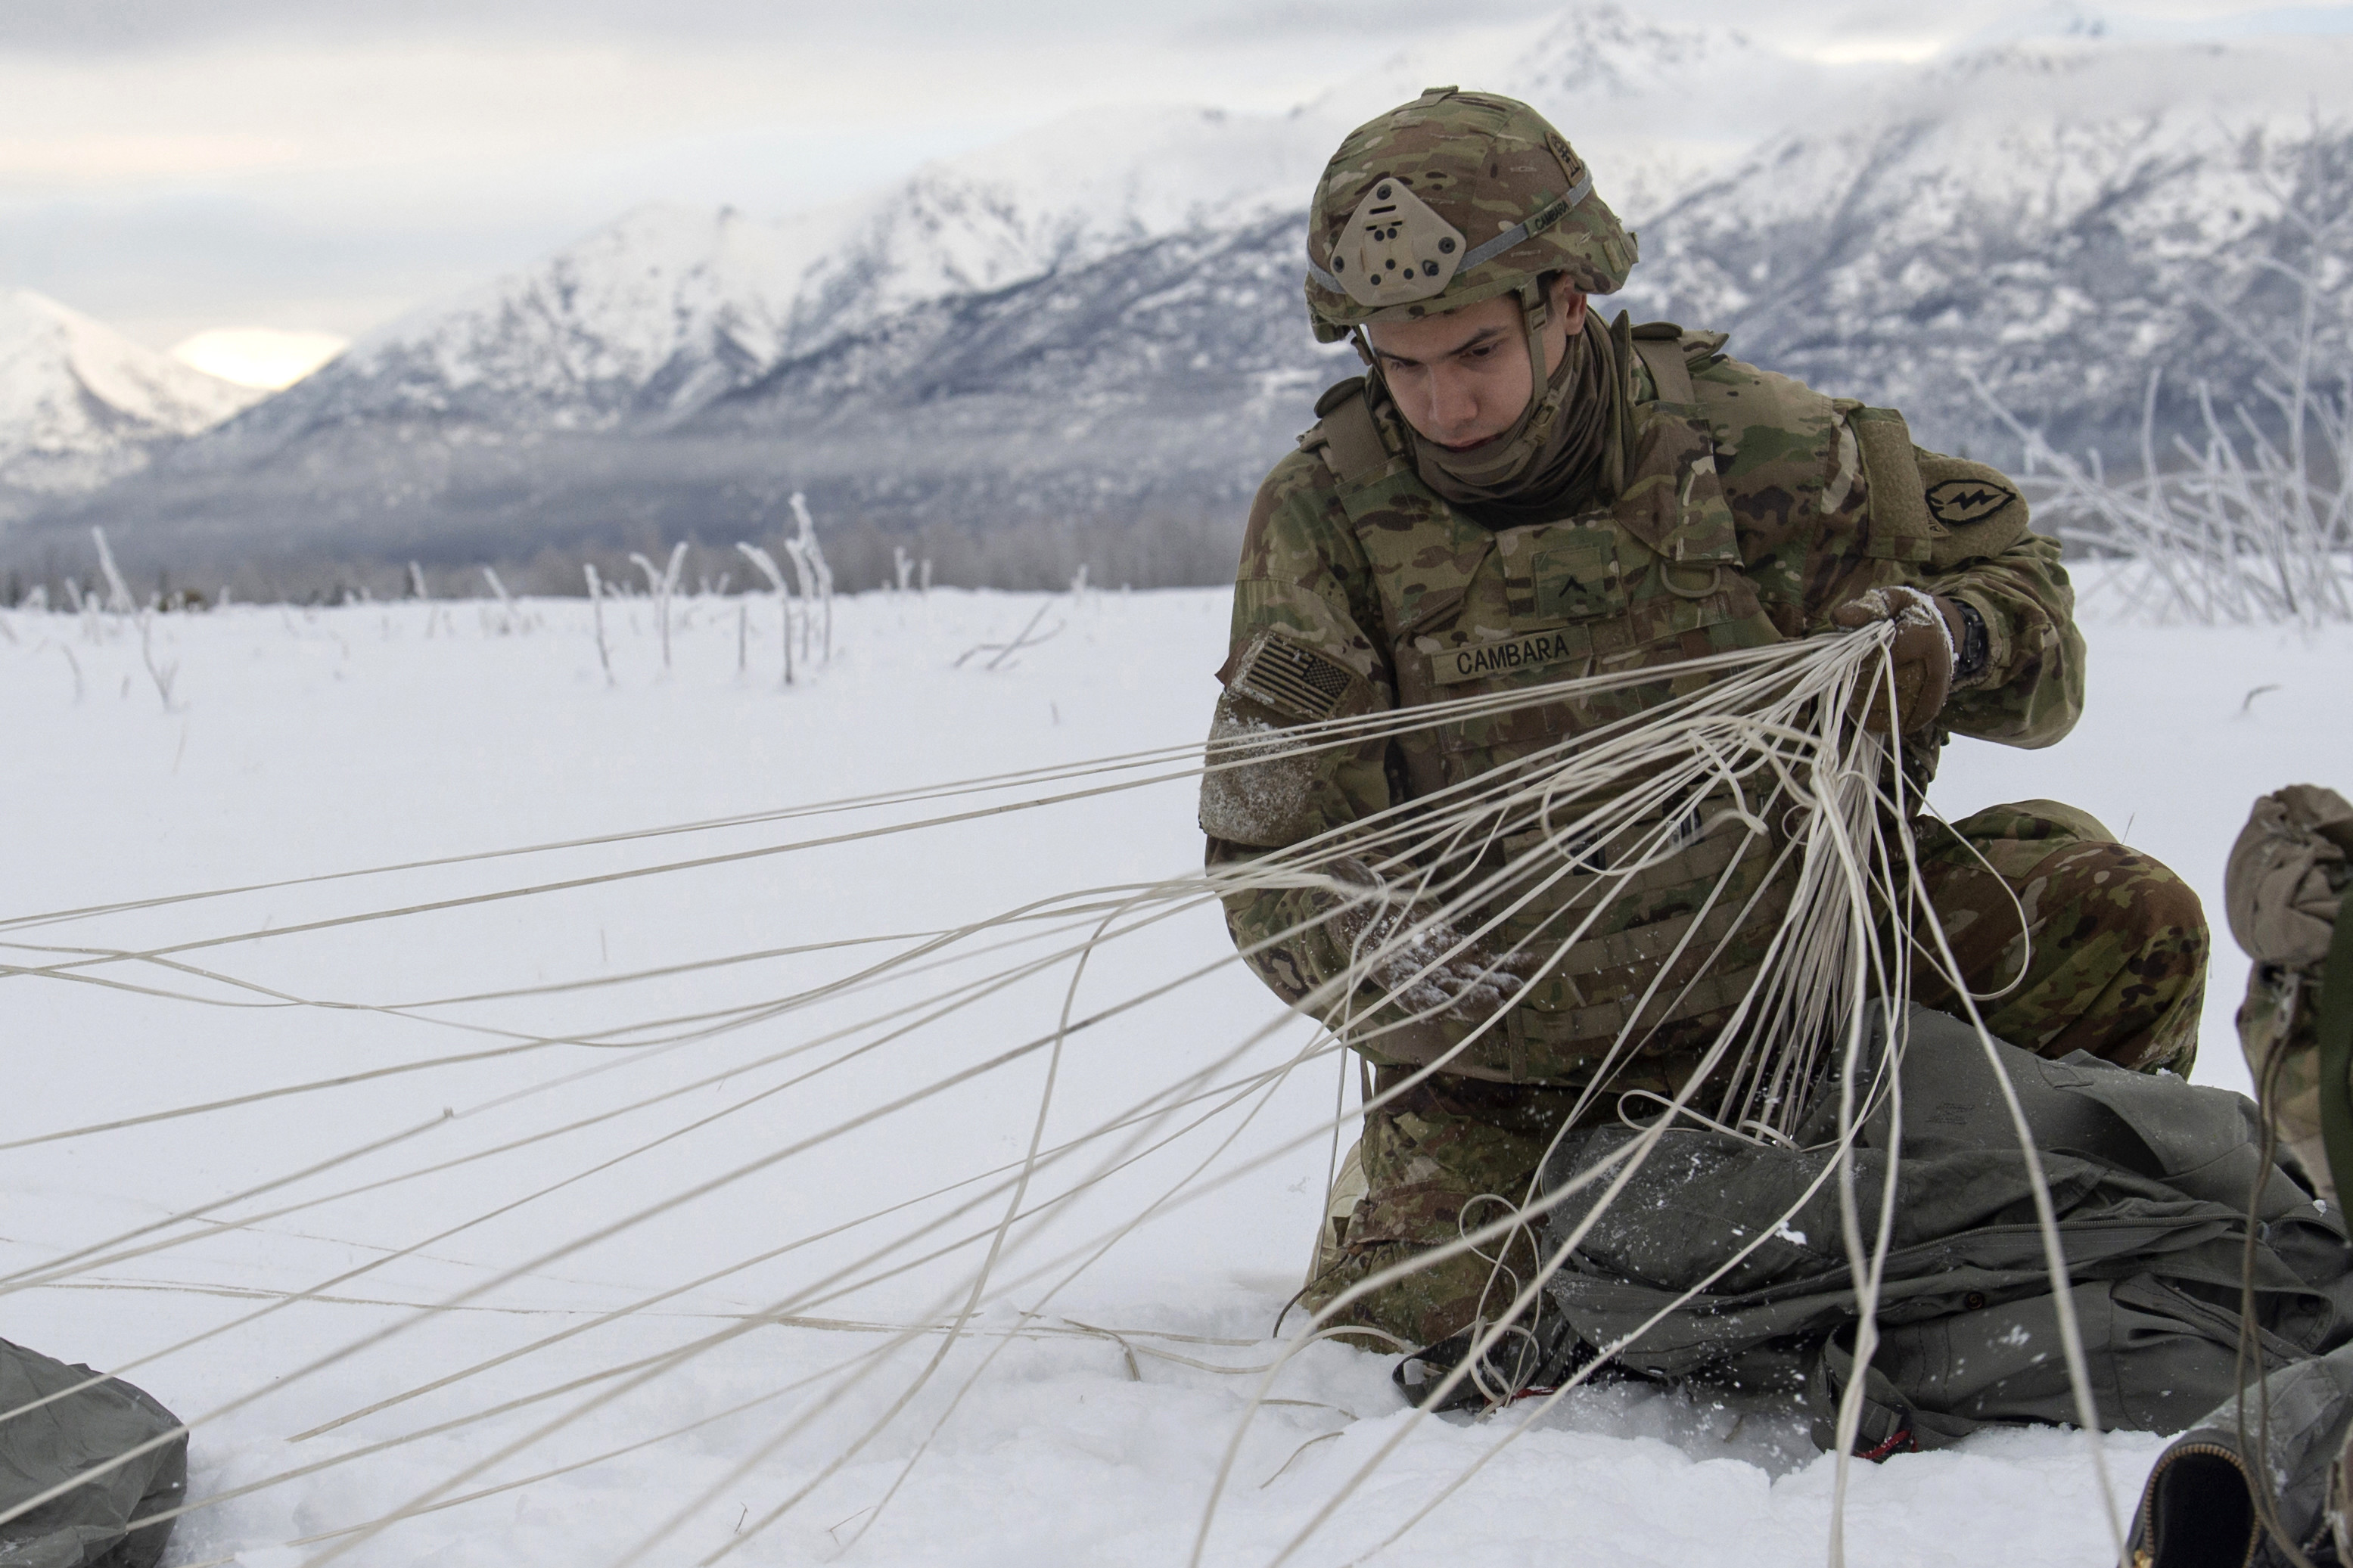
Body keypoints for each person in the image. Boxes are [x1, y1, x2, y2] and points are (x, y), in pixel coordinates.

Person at [1199, 88, 2212, 1358]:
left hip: (1817, 979)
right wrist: (1410, 976)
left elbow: (2036, 642)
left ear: (1565, 305)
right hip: (1510, 1057)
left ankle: (1994, 1207)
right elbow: (1271, 860)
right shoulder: (1321, 519)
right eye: (1399, 367)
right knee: (1438, 1327)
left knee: (2127, 925)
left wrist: (1940, 645)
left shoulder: (1765, 448)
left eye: (1472, 355)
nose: (1441, 405)